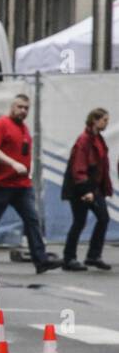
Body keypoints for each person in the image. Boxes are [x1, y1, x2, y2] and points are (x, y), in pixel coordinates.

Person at [0, 94, 61, 274]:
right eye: (20, 107)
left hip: (21, 186)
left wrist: (28, 169)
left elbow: (24, 153)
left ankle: (41, 261)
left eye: (26, 108)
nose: (23, 111)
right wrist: (13, 163)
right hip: (1, 185)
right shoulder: (2, 124)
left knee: (32, 220)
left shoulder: (24, 129)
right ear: (12, 107)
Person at [61, 107, 112, 271]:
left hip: (92, 187)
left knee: (102, 218)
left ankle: (93, 256)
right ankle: (69, 259)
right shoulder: (84, 140)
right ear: (95, 120)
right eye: (104, 120)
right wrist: (85, 190)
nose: (106, 123)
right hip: (81, 188)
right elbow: (79, 167)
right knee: (80, 222)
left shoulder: (98, 139)